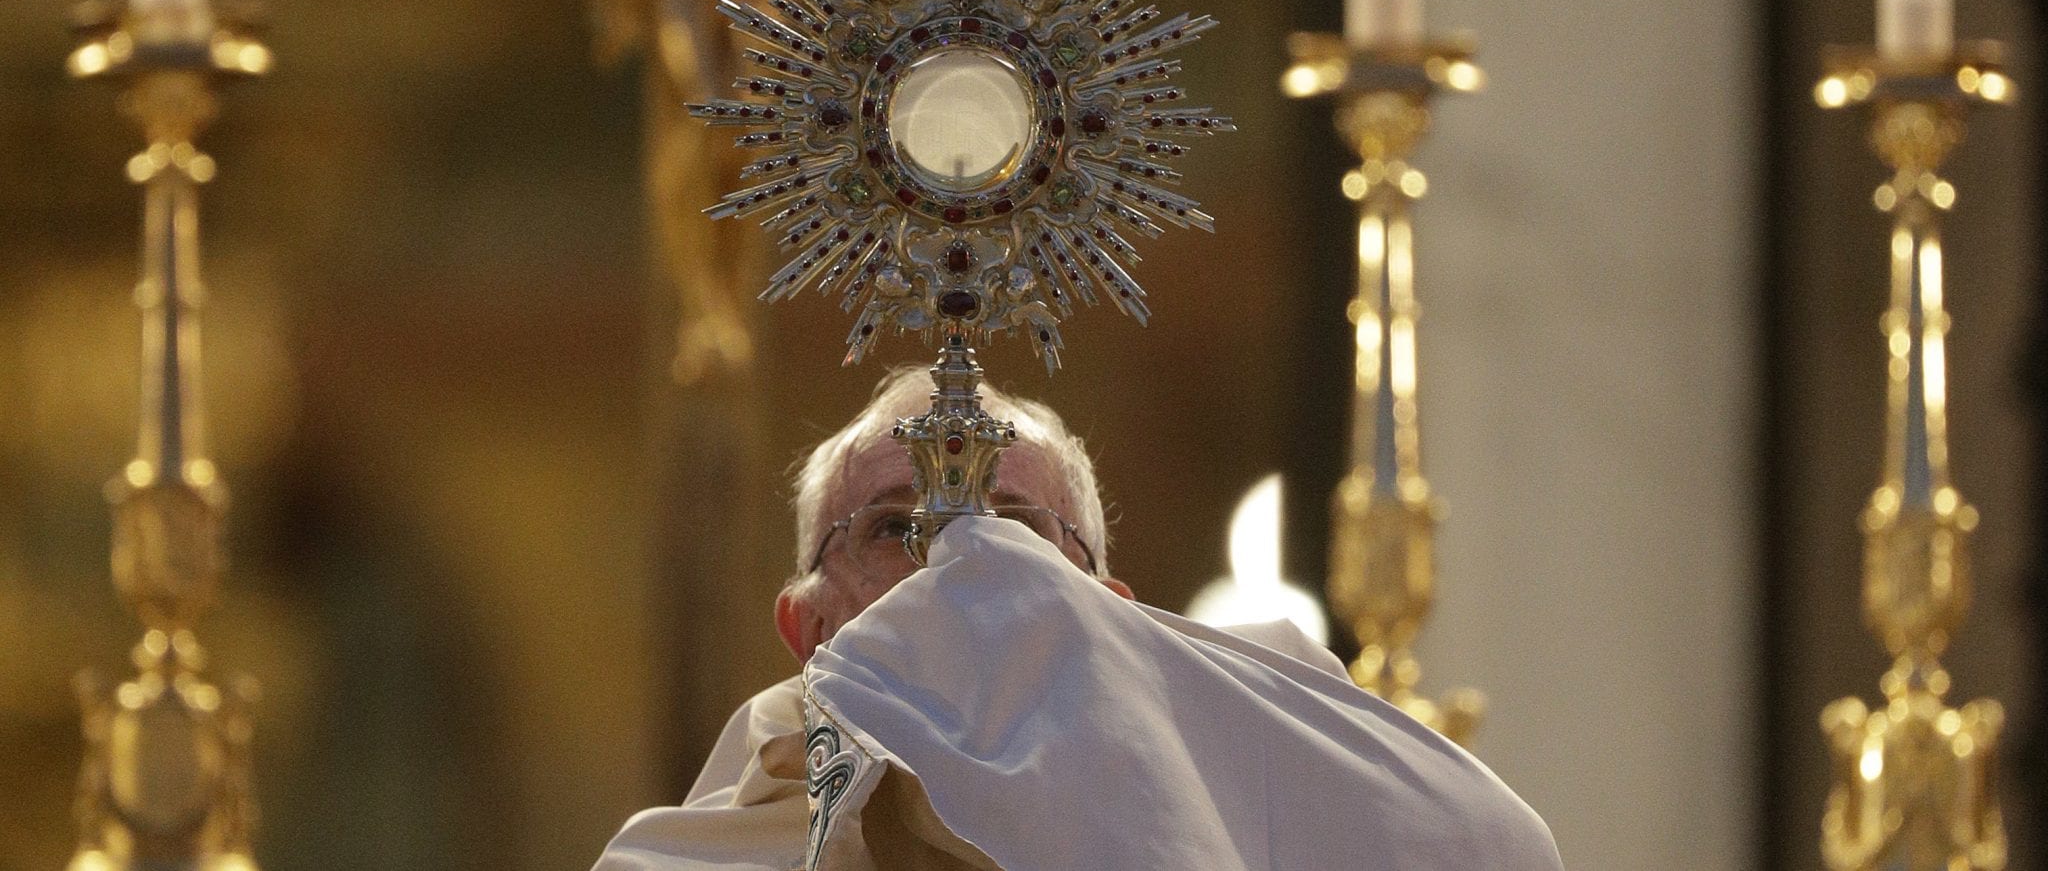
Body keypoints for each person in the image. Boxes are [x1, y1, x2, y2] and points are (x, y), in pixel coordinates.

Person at [596, 367, 1563, 871]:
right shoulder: (704, 854)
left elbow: (1491, 849)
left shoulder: (1237, 778)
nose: (960, 564)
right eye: (896, 526)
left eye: (1013, 527)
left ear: (1108, 606)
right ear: (805, 629)